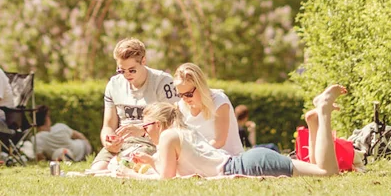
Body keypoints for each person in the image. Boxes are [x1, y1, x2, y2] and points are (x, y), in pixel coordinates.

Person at [124, 85, 346, 179]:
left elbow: (167, 180)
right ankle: (313, 123)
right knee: (317, 169)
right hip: (250, 161)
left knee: (327, 173)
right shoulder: (181, 131)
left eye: (146, 126)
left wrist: (131, 175)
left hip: (249, 166)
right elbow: (175, 171)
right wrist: (151, 161)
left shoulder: (168, 136)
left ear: (159, 123)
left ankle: (323, 109)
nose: (145, 132)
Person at [89, 38, 177, 171]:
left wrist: (142, 130)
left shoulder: (163, 82)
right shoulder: (114, 84)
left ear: (143, 61)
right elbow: (108, 126)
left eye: (132, 70)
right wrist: (108, 142)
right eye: (121, 70)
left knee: (125, 168)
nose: (126, 75)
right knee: (97, 170)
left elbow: (174, 122)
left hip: (151, 143)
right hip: (122, 144)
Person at [173, 63, 243, 156]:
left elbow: (219, 141)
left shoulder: (219, 101)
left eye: (188, 94)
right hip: (201, 160)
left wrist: (194, 154)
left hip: (229, 159)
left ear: (200, 87)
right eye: (180, 95)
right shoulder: (181, 106)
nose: (185, 99)